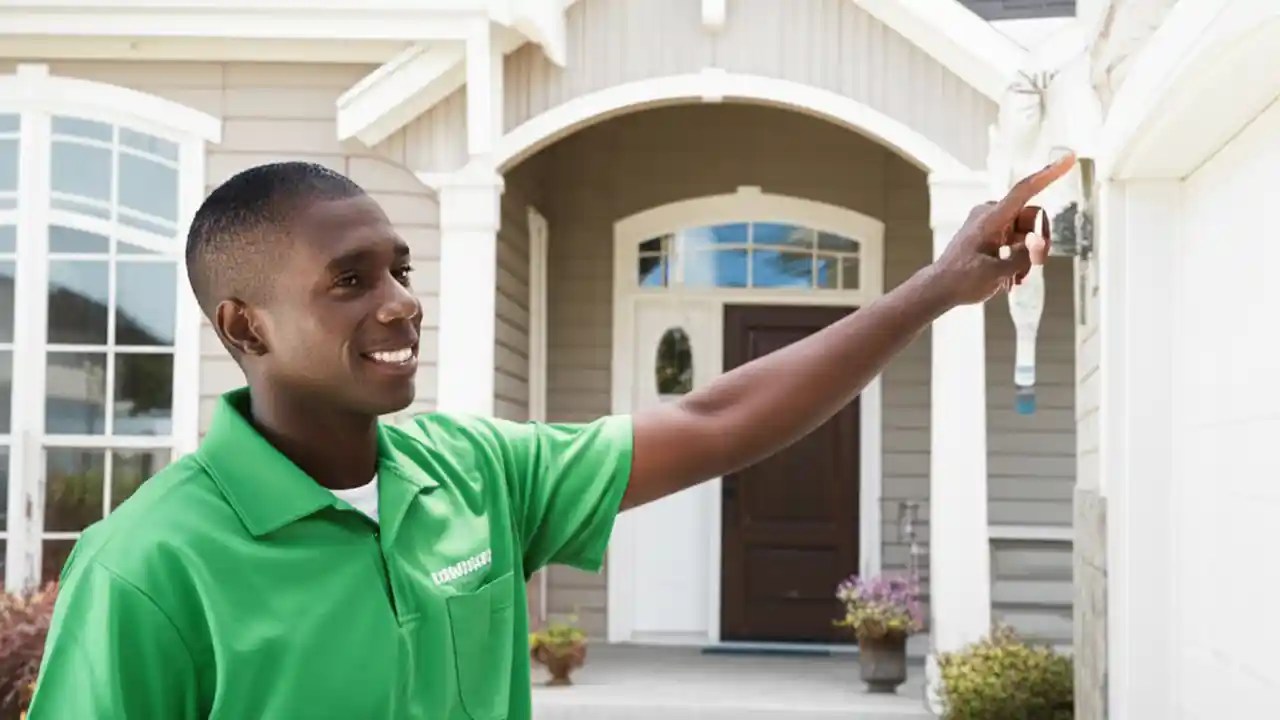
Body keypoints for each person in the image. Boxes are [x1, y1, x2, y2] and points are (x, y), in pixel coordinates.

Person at [25, 152, 1074, 719]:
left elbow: (717, 419)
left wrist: (937, 289)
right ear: (243, 325)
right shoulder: (148, 571)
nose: (398, 303)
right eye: (350, 282)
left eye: (399, 269)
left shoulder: (471, 472)